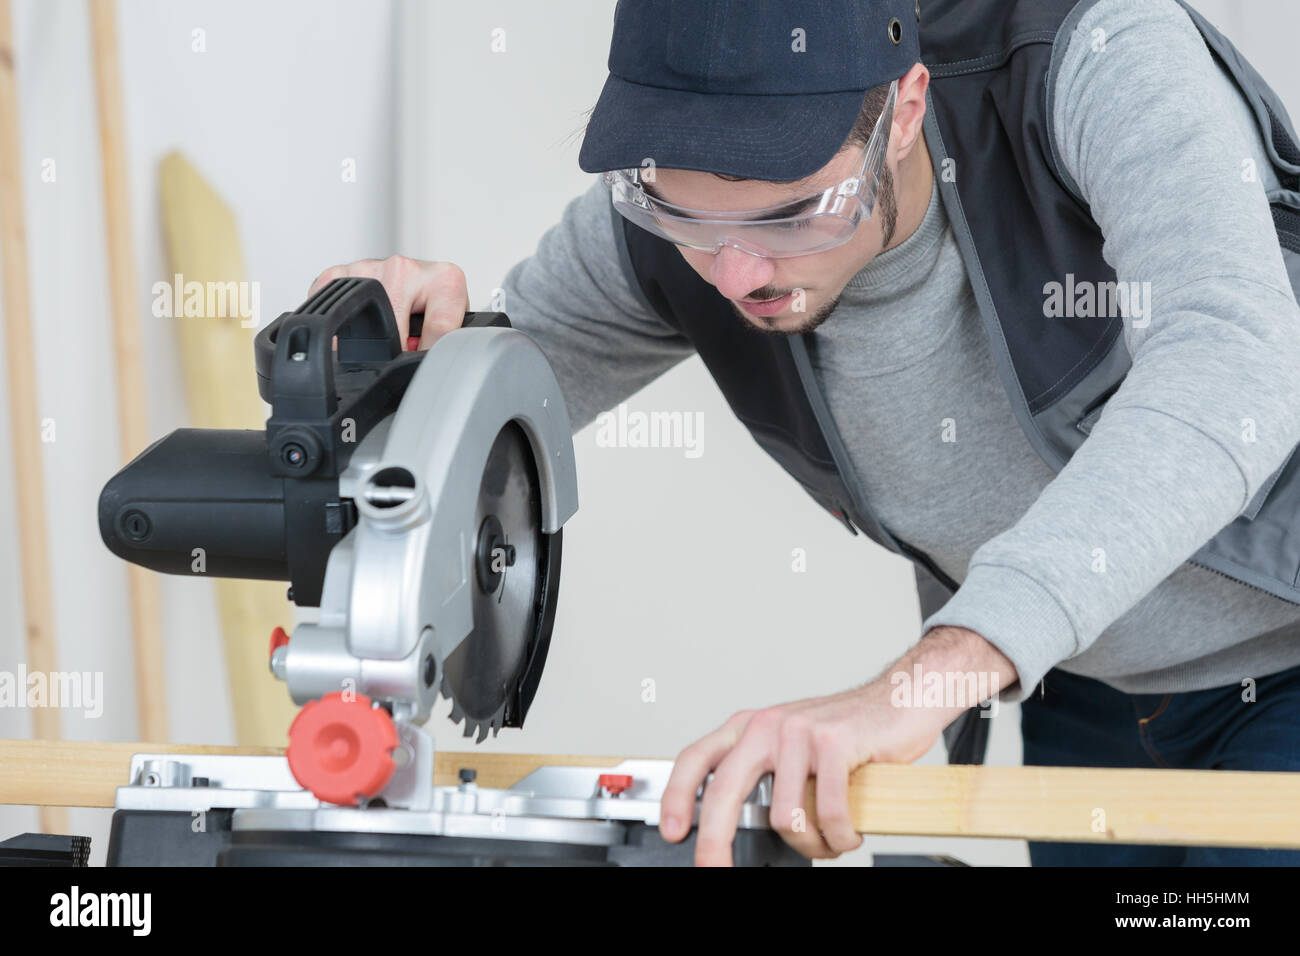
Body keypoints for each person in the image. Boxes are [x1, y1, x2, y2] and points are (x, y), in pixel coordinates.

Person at [312, 0, 1300, 866]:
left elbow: (1235, 367)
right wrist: (383, 379)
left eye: (792, 215)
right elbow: (477, 429)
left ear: (904, 111)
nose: (738, 273)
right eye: (691, 220)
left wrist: (923, 678)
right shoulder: (655, 223)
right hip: (1076, 676)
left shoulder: (1089, 54)